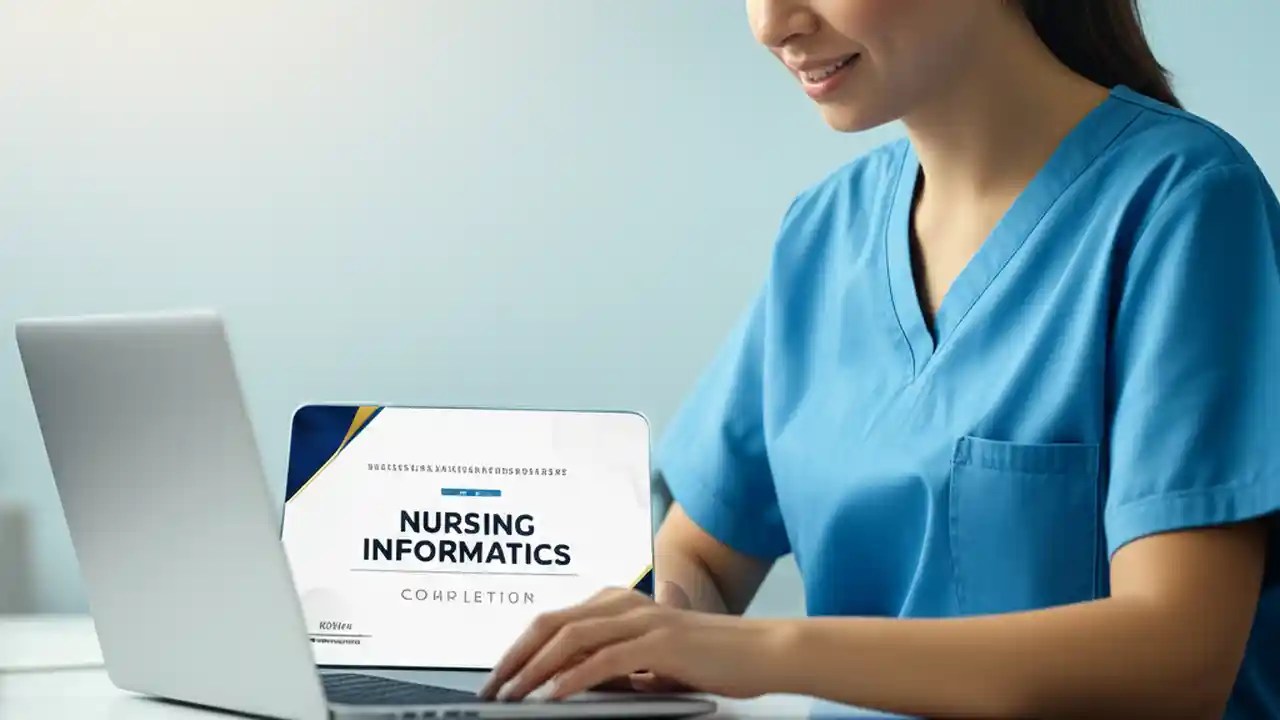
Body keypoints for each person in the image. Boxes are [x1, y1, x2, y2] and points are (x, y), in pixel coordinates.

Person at [481, 1, 1280, 717]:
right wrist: (645, 634)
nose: (771, 24)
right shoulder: (825, 233)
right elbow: (701, 553)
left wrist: (757, 655)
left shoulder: (1186, 204)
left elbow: (1178, 658)